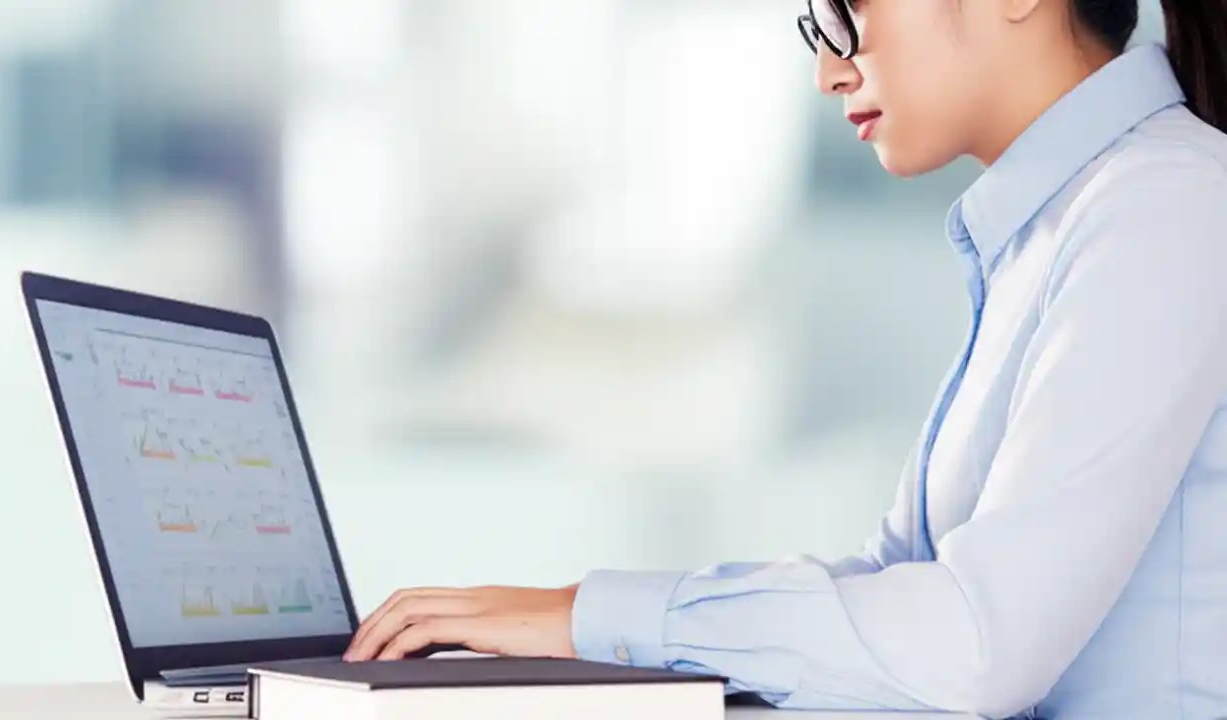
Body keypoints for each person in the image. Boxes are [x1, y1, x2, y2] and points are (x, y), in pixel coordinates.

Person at [342, 0, 1227, 717]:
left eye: (848, 10)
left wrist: (590, 618)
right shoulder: (1052, 229)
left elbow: (979, 644)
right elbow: (899, 588)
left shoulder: (1163, 201)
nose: (829, 69)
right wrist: (580, 618)